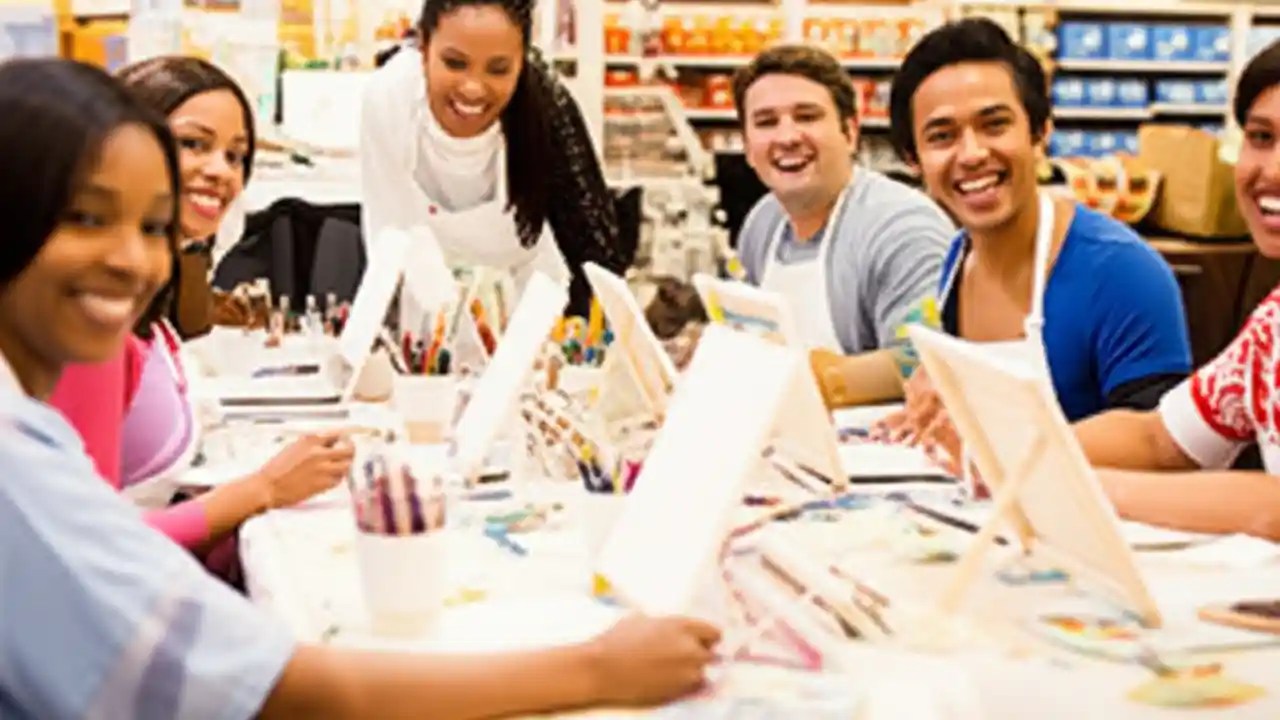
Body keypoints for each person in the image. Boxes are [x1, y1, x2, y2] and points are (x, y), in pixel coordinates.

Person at [0, 56, 719, 720]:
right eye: (87, 218)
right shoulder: (20, 464)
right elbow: (298, 691)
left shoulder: (43, 412)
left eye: (151, 225)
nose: (131, 258)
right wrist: (598, 669)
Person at [48, 56, 353, 558]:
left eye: (236, 156)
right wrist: (262, 490)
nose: (221, 172)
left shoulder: (145, 307)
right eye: (193, 144)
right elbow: (84, 552)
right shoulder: (92, 323)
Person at [878, 18, 1192, 462]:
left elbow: (1166, 447)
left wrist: (1003, 445)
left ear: (1041, 131)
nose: (971, 154)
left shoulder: (1123, 273)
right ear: (914, 159)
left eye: (994, 125)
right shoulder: (957, 256)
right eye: (942, 136)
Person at [1075, 41, 1280, 541]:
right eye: (1261, 137)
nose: (1270, 171)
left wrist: (1085, 489)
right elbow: (1159, 440)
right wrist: (1011, 445)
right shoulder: (1272, 327)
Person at [360, 0, 631, 330]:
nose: (473, 87)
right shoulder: (389, 98)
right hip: (426, 321)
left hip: (533, 315)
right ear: (424, 46)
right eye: (455, 63)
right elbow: (392, 234)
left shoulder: (548, 110)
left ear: (522, 62)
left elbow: (599, 263)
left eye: (498, 69)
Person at [729, 44, 953, 408]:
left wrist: (821, 379)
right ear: (748, 147)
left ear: (850, 133)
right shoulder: (763, 222)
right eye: (766, 122)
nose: (787, 137)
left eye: (807, 116)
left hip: (882, 457)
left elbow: (925, 360)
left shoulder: (901, 227)